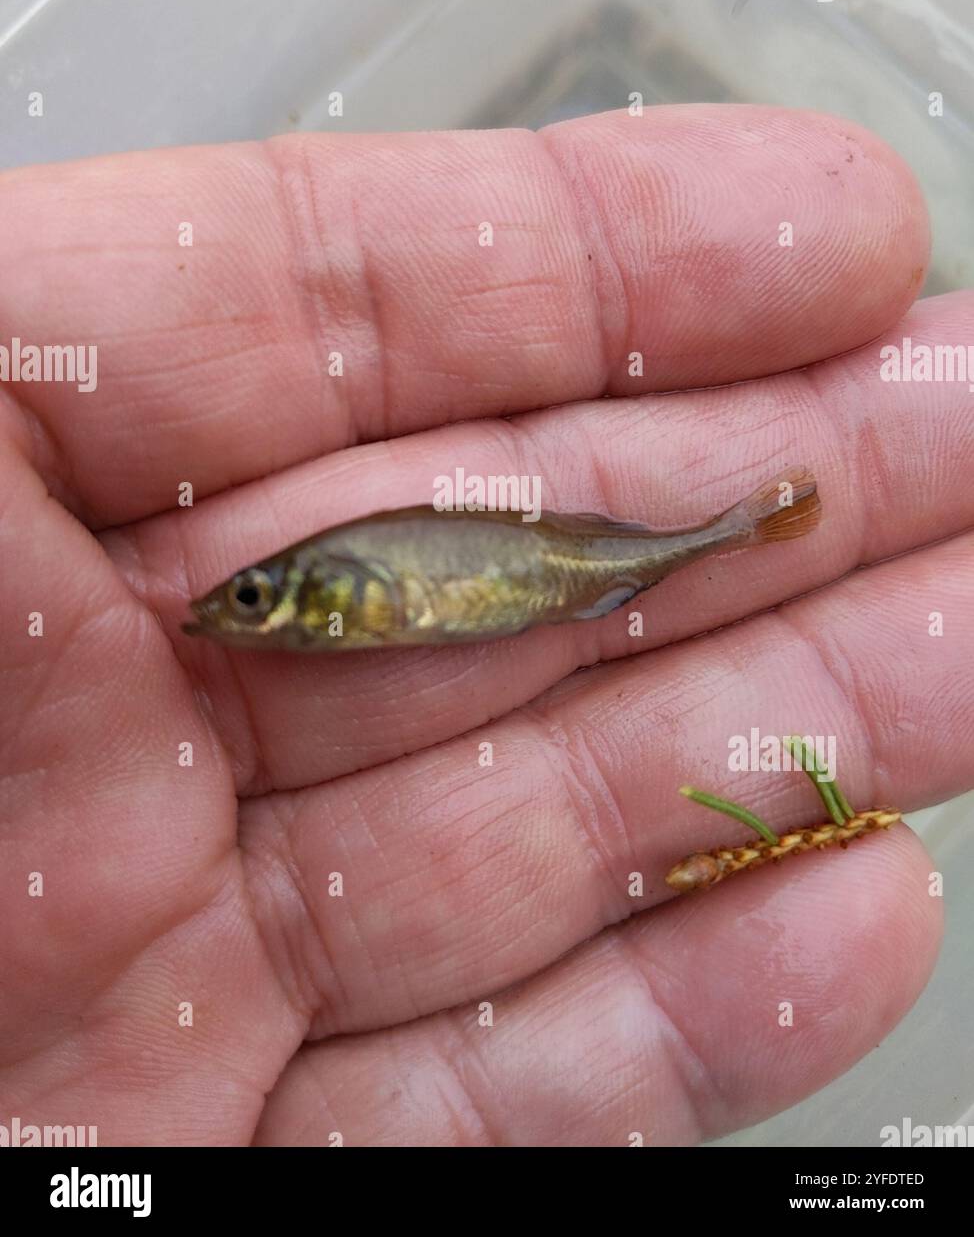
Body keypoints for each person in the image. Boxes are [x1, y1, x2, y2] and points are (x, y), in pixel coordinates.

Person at [0, 105, 962, 1146]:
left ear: (325, 596)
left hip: (567, 568)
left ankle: (740, 527)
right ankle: (735, 529)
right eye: (248, 600)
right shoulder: (325, 607)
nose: (234, 618)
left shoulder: (349, 597)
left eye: (254, 601)